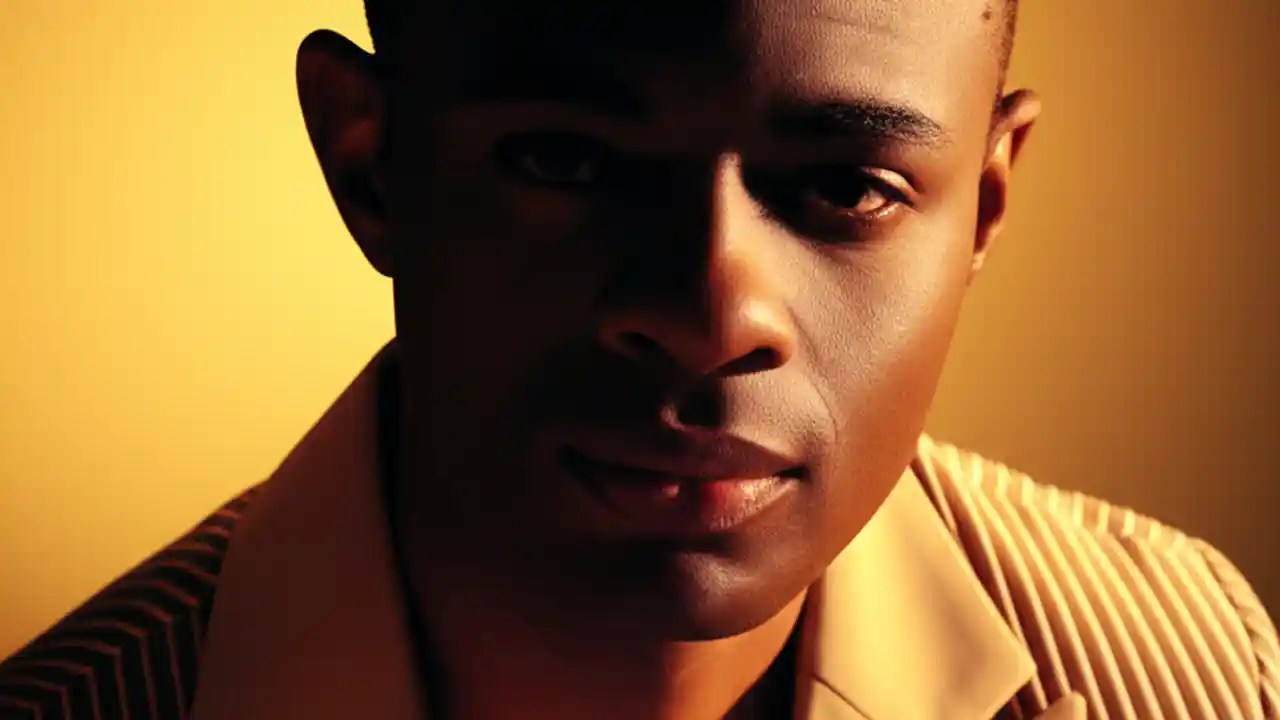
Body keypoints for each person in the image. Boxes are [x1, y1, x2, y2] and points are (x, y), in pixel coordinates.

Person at [1, 0, 1277, 718]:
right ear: (371, 164)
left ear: (984, 207)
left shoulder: (1195, 665)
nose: (711, 317)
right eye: (561, 161)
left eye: (846, 185)